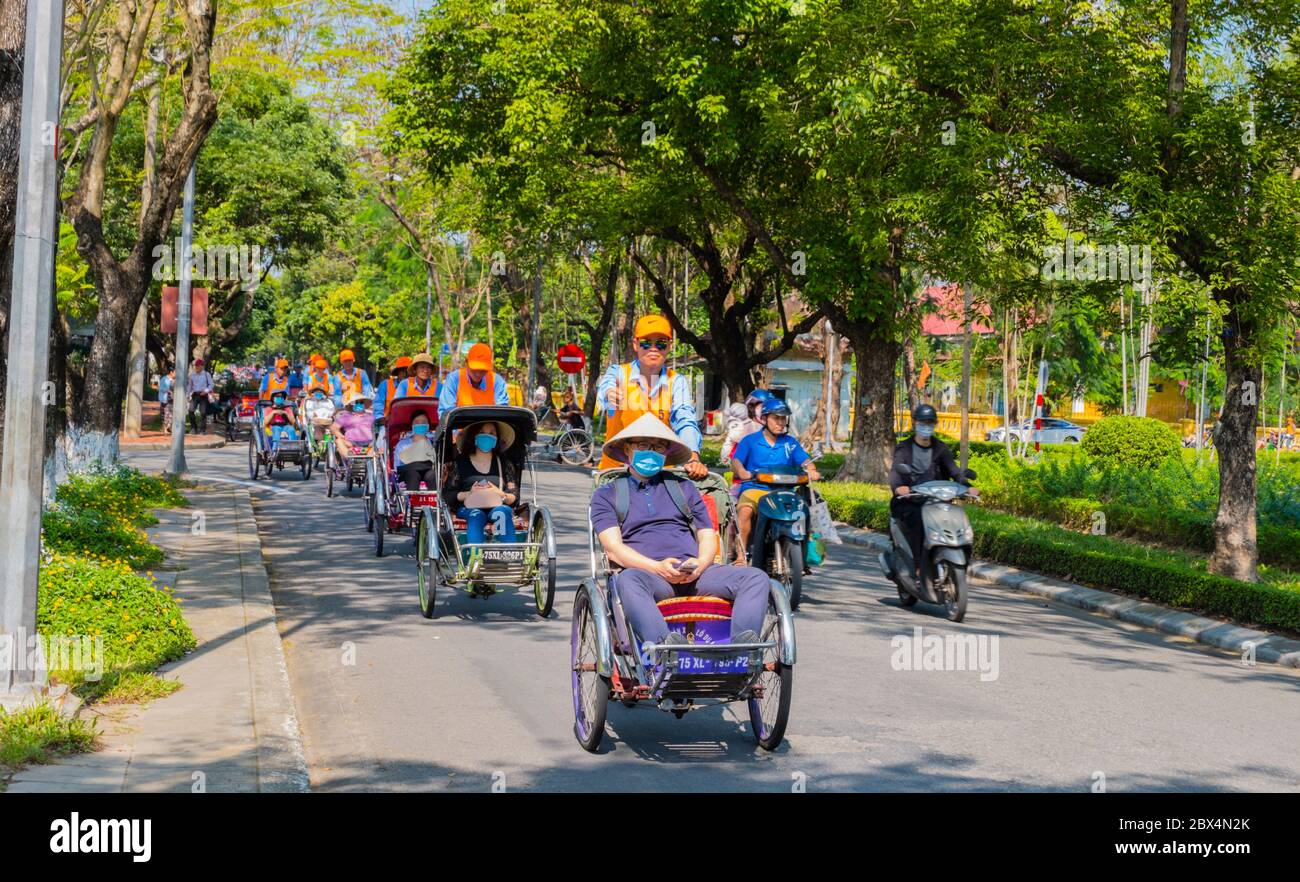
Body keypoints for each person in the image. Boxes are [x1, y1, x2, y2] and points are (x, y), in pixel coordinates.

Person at [591, 412, 769, 654]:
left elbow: (707, 533)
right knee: (628, 579)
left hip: (695, 573)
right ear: (627, 449)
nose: (651, 451)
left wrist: (701, 562)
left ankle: (740, 650)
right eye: (643, 445)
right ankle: (666, 651)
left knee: (756, 577)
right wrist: (656, 567)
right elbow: (614, 549)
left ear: (666, 454)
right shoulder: (607, 494)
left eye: (658, 447)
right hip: (649, 577)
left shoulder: (683, 487)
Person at [595, 314, 707, 478]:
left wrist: (693, 458)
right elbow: (605, 388)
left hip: (658, 471)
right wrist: (608, 394)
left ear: (669, 346)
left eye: (660, 343)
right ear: (635, 344)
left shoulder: (676, 381)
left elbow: (685, 419)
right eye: (646, 343)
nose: (653, 348)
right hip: (616, 470)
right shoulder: (618, 373)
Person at [887, 403, 978, 581]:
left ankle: (962, 562)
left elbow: (954, 471)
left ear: (934, 424)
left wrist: (967, 486)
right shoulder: (904, 448)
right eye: (922, 422)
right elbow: (896, 472)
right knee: (918, 522)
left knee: (958, 521)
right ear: (914, 423)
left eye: (930, 423)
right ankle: (919, 566)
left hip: (937, 501)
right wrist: (899, 487)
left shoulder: (940, 448)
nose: (926, 426)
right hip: (910, 500)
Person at [731, 399, 821, 559]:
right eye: (776, 418)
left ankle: (804, 553)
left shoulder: (790, 443)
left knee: (805, 511)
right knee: (744, 512)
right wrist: (742, 471)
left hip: (785, 491)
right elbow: (736, 461)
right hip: (755, 489)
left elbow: (805, 461)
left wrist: (812, 470)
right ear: (765, 419)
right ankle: (740, 556)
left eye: (783, 418)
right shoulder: (750, 441)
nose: (781, 422)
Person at [444, 420, 520, 544]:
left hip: (496, 506)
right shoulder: (460, 463)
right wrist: (468, 494)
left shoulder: (504, 464)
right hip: (469, 507)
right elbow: (449, 495)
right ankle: (475, 555)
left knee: (502, 513)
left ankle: (507, 550)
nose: (487, 436)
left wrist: (501, 494)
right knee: (476, 515)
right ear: (474, 437)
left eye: (491, 433)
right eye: (482, 432)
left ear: (496, 439)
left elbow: (514, 496)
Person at [437, 342, 509, 417]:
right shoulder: (454, 379)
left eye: (482, 370)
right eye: (474, 369)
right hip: (459, 426)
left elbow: (502, 413)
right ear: (466, 363)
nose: (478, 374)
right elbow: (446, 414)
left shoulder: (496, 381)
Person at [386, 352, 439, 422]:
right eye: (422, 367)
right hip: (407, 425)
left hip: (432, 427)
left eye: (428, 367)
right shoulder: (404, 384)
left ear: (431, 370)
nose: (425, 370)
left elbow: (442, 409)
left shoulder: (438, 386)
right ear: (415, 370)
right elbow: (397, 408)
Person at [393, 409, 437, 491]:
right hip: (408, 472)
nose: (420, 424)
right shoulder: (403, 444)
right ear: (412, 425)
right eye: (417, 422)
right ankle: (411, 502)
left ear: (428, 425)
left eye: (424, 422)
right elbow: (397, 466)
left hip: (428, 470)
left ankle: (436, 502)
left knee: (433, 475)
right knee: (413, 474)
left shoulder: (433, 442)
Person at [331, 391, 374, 457]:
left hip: (369, 442)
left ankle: (370, 459)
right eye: (356, 402)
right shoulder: (345, 416)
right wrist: (341, 436)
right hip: (351, 442)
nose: (359, 404)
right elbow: (334, 428)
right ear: (351, 404)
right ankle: (350, 457)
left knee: (379, 443)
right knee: (339, 441)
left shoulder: (371, 416)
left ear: (364, 404)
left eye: (361, 402)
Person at [373, 356, 412, 424]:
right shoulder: (385, 384)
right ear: (398, 372)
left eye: (408, 371)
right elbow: (378, 403)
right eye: (403, 371)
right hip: (387, 422)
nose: (406, 374)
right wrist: (380, 418)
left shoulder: (415, 386)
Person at [187, 357, 215, 433]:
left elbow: (211, 384)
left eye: (198, 366)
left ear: (202, 366)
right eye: (195, 366)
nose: (196, 367)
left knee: (203, 412)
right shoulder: (192, 375)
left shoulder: (206, 374)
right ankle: (193, 428)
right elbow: (190, 386)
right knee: (190, 411)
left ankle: (202, 429)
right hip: (195, 394)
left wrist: (206, 391)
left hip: (203, 395)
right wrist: (187, 395)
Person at [158, 367, 175, 434]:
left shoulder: (175, 380)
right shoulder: (164, 379)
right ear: (171, 372)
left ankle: (168, 427)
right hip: (164, 399)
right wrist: (167, 391)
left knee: (171, 414)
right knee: (164, 414)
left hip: (172, 399)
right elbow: (161, 388)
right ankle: (164, 428)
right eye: (175, 372)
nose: (176, 374)